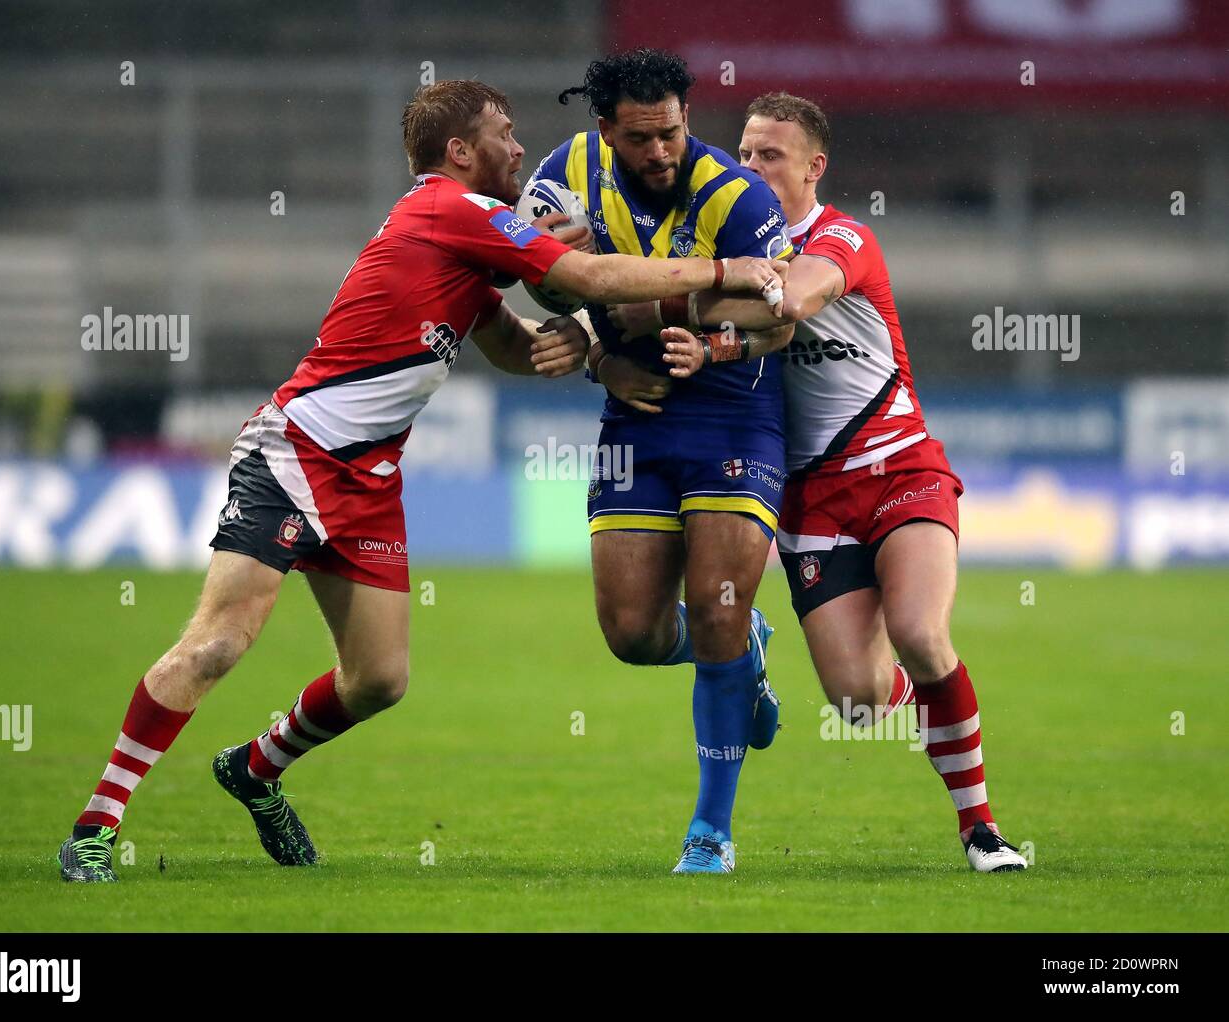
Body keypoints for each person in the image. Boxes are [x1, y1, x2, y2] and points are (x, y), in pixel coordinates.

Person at [56, 79, 785, 882]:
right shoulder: (453, 209)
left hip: (369, 477)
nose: (519, 148)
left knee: (379, 680)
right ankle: (96, 827)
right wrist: (726, 269)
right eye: (504, 134)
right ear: (461, 152)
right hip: (299, 452)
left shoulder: (465, 242)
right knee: (220, 642)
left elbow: (509, 344)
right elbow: (591, 277)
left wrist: (576, 353)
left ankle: (256, 767)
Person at [611, 92, 1026, 872]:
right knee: (857, 703)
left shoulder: (842, 236)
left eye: (770, 153)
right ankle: (935, 709)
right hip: (810, 495)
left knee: (919, 632)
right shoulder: (724, 240)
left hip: (899, 467)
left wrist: (688, 289)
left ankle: (982, 830)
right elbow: (718, 327)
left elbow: (796, 298)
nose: (749, 165)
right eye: (742, 150)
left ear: (814, 166)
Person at [531, 49, 795, 874]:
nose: (660, 153)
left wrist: (698, 332)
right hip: (635, 412)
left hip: (732, 413)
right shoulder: (564, 175)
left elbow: (782, 317)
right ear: (604, 130)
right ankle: (744, 646)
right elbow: (543, 285)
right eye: (641, 138)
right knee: (633, 634)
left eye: (672, 132)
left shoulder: (736, 196)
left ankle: (709, 836)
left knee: (711, 609)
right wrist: (600, 355)